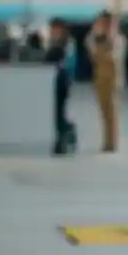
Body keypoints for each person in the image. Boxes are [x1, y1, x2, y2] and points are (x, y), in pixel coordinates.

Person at [86, 11, 126, 153]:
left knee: (112, 112)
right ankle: (106, 141)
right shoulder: (98, 39)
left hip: (113, 81)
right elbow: (92, 54)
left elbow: (112, 58)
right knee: (104, 113)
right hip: (101, 79)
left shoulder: (117, 39)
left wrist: (99, 53)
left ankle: (112, 142)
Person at [45, 19, 76, 155]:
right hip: (53, 81)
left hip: (63, 81)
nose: (53, 31)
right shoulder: (52, 43)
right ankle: (61, 139)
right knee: (56, 113)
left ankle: (65, 138)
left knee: (60, 111)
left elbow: (68, 62)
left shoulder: (67, 44)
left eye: (55, 28)